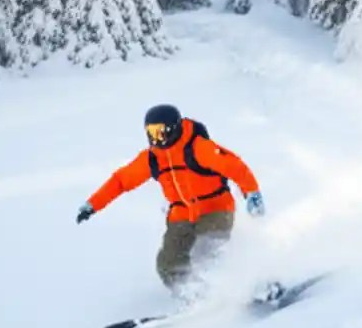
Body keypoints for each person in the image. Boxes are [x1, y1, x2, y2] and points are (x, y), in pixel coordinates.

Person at [76, 104, 265, 296]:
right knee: (168, 264)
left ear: (175, 128)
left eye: (161, 131)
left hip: (215, 207)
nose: (156, 138)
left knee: (208, 250)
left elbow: (235, 166)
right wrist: (93, 204)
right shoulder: (153, 158)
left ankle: (242, 288)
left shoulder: (198, 148)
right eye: (151, 132)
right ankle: (194, 295)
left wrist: (252, 193)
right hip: (181, 214)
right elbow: (121, 181)